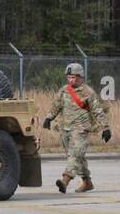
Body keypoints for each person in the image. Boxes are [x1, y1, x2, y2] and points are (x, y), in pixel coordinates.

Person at [43, 62, 111, 193]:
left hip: (81, 130)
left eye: (73, 77)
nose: (70, 80)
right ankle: (87, 182)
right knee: (77, 157)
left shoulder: (88, 93)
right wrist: (48, 118)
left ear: (80, 77)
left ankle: (65, 180)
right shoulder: (63, 90)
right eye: (68, 77)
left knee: (74, 155)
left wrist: (106, 128)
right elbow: (56, 106)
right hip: (65, 129)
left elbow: (97, 111)